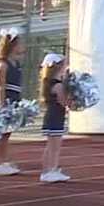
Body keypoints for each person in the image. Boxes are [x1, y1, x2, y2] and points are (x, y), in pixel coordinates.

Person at [0, 28, 26, 176]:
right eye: (19, 43)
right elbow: (0, 87)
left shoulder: (16, 63)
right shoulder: (3, 65)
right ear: (12, 46)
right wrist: (1, 106)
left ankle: (3, 161)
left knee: (7, 133)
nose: (22, 46)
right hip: (5, 101)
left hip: (14, 100)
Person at [39, 52, 70, 183]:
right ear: (58, 67)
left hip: (51, 116)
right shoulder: (58, 85)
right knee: (55, 147)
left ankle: (47, 170)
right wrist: (73, 100)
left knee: (50, 146)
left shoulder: (48, 83)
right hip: (56, 117)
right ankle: (51, 170)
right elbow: (64, 102)